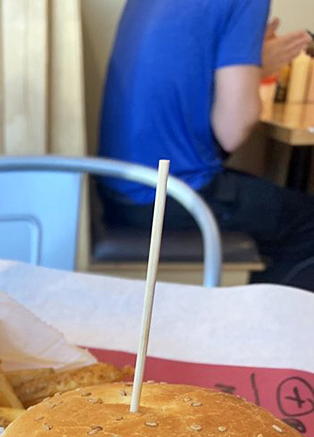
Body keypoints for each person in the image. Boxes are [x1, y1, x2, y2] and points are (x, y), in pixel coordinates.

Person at [98, 1, 314, 293]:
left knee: (281, 205)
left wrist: (252, 62)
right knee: (307, 223)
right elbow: (233, 131)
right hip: (165, 195)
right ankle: (257, 331)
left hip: (117, 186)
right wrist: (255, 67)